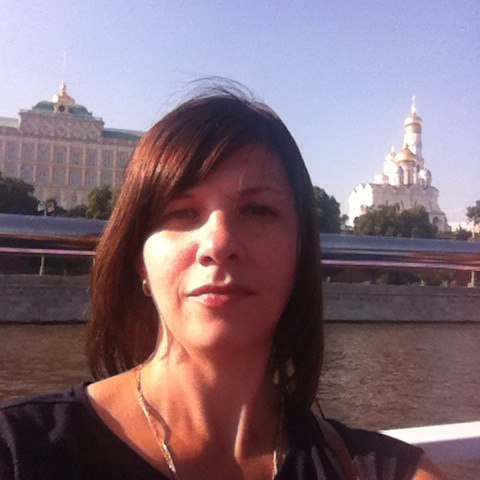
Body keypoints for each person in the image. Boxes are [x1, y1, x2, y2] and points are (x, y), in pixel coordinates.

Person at [0, 89, 446, 480]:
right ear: (139, 258)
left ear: (300, 252)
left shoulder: (381, 470)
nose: (218, 243)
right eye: (180, 212)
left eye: (257, 210)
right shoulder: (19, 451)